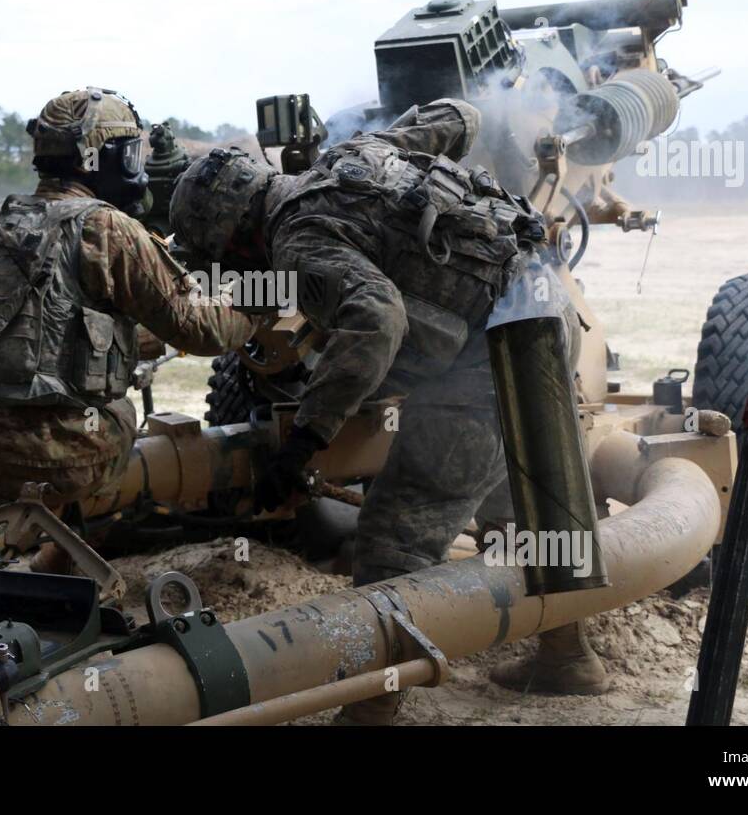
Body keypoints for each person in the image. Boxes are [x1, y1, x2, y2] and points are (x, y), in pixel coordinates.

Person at [170, 97, 603, 721]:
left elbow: (376, 322)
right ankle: (568, 656)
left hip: (488, 357)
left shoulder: (297, 237)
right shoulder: (359, 152)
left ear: (235, 234)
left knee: (395, 535)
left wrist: (304, 443)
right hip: (547, 305)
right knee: (521, 496)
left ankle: (373, 707)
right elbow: (463, 117)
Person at [0, 87, 256, 553]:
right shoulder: (107, 228)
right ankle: (79, 536)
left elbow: (53, 330)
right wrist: (256, 307)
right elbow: (205, 330)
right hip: (62, 459)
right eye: (131, 153)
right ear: (104, 160)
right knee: (119, 412)